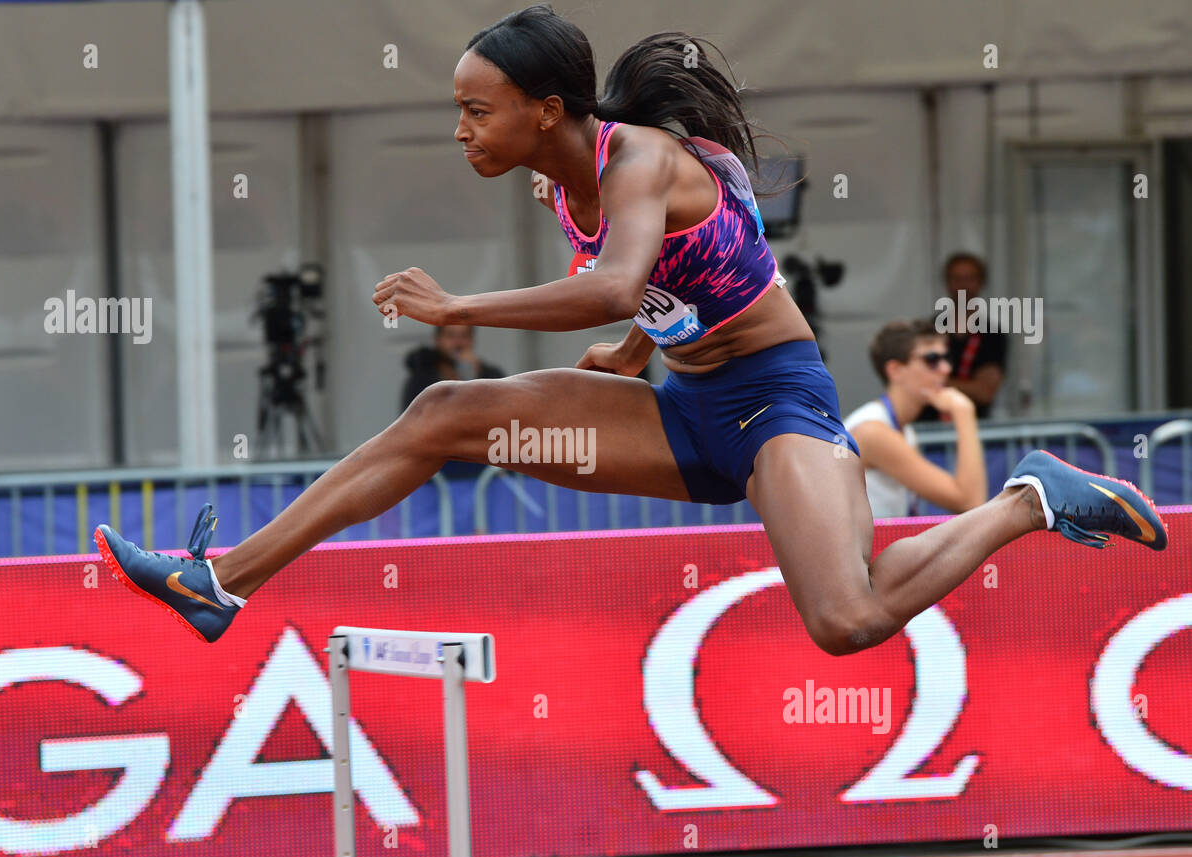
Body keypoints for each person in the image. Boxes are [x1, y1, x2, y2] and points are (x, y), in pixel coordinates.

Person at [94, 5, 1166, 649]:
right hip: (685, 408)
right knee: (445, 410)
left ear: (547, 110)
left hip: (774, 400)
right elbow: (654, 289)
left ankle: (1032, 496)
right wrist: (638, 352)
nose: (461, 128)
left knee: (846, 620)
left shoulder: (638, 158)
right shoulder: (561, 183)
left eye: (479, 109)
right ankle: (220, 580)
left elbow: (617, 283)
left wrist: (462, 305)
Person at [845, 321, 986, 518]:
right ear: (895, 370)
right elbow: (969, 501)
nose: (945, 368)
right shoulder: (873, 431)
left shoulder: (904, 430)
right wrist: (964, 413)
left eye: (946, 357)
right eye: (932, 359)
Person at [917, 252, 1006, 422]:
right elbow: (917, 382)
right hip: (929, 429)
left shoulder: (992, 334)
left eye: (970, 278)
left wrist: (938, 381)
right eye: (956, 278)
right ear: (947, 282)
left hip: (974, 427)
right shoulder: (928, 329)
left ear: (981, 282)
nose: (962, 285)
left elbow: (985, 392)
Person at [400, 322, 504, 412]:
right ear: (437, 340)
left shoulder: (492, 377)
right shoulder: (421, 380)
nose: (458, 343)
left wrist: (476, 377)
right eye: (450, 335)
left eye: (464, 335)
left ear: (472, 340)